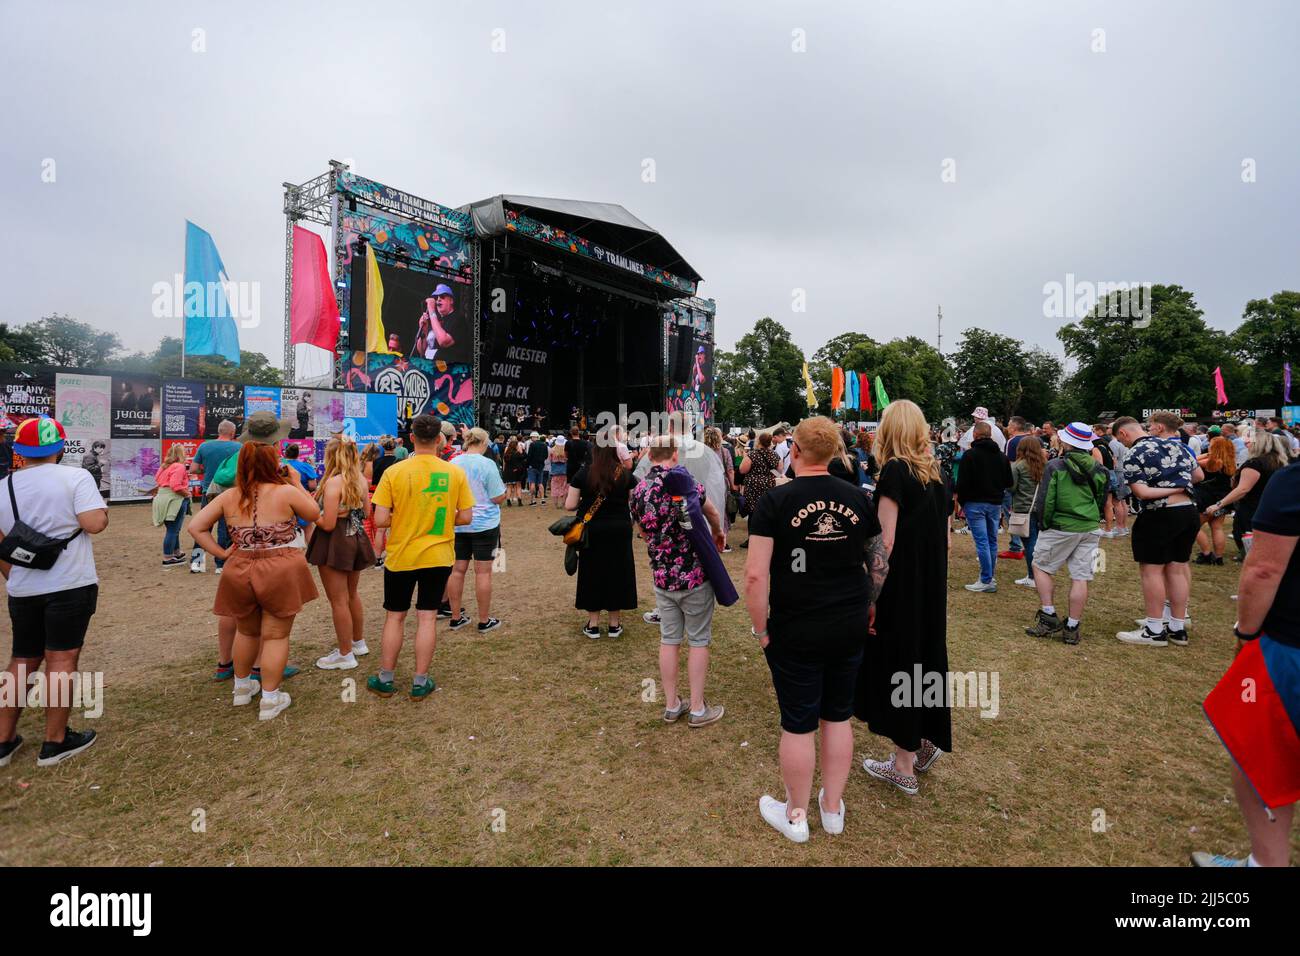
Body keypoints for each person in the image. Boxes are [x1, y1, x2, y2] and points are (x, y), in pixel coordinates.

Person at [746, 417, 886, 842]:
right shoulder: (859, 498)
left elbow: (755, 576)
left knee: (798, 721)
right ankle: (831, 810)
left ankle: (796, 815)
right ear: (835, 452)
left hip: (795, 627)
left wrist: (761, 631)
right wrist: (870, 604)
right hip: (847, 623)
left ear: (798, 451)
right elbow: (879, 561)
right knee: (837, 715)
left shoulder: (776, 501)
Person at [1193, 458, 1300, 866]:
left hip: (1290, 648)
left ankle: (1265, 863)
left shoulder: (1292, 482)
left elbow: (1264, 569)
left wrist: (1246, 635)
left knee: (1261, 756)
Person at [189, 412, 321, 720]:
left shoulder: (231, 495)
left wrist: (222, 554)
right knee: (275, 635)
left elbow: (196, 527)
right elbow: (314, 513)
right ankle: (271, 699)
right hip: (280, 565)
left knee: (246, 632)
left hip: (240, 565)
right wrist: (298, 483)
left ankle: (241, 689)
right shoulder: (286, 491)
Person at [855, 400, 952, 796]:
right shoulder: (937, 474)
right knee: (925, 658)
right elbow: (944, 537)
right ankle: (923, 741)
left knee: (901, 664)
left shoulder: (896, 471)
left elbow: (885, 543)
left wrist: (870, 595)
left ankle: (903, 765)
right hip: (929, 586)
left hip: (901, 588)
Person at [0, 417, 108, 767]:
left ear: (18, 450)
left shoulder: (4, 487)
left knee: (21, 660)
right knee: (61, 659)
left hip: (23, 587)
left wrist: (14, 575)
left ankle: (2, 740)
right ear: (60, 448)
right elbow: (94, 524)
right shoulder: (76, 477)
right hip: (70, 584)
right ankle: (55, 741)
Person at [366, 414, 474, 699]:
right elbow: (465, 517)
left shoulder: (395, 472)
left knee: (395, 616)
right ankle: (419, 681)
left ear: (411, 438)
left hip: (402, 555)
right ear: (440, 439)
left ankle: (385, 678)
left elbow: (379, 520)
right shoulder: (454, 473)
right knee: (427, 617)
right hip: (438, 556)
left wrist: (406, 516)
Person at [631, 437, 727, 730]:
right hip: (694, 574)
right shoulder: (685, 484)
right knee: (698, 639)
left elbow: (642, 531)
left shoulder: (637, 491)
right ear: (675, 455)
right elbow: (710, 509)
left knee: (669, 639)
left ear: (648, 456)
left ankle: (672, 704)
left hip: (662, 577)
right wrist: (717, 531)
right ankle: (697, 708)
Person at [1113, 413, 1205, 647]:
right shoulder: (1180, 447)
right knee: (1177, 568)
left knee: (1152, 571)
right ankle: (1177, 626)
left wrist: (1170, 490)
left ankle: (1154, 629)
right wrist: (1180, 487)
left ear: (1124, 434)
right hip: (1188, 513)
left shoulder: (1134, 453)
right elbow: (1198, 475)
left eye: (1121, 440)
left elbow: (1142, 493)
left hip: (1159, 515)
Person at [1023, 423, 1108, 645]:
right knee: (1081, 576)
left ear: (1066, 442)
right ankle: (1072, 626)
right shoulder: (1099, 469)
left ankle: (1049, 614)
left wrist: (1044, 523)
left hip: (1061, 525)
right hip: (1088, 526)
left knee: (1040, 566)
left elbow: (1046, 499)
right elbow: (1101, 498)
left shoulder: (1055, 466)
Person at [307, 436, 376, 670]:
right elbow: (366, 513)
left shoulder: (333, 483)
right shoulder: (360, 480)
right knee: (351, 595)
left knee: (338, 600)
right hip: (355, 537)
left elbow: (326, 524)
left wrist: (311, 514)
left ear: (332, 456)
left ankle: (345, 654)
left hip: (335, 541)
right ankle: (358, 643)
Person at [565, 435, 637, 638]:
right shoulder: (624, 473)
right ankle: (614, 624)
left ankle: (593, 624)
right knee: (618, 571)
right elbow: (633, 500)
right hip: (620, 528)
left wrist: (587, 503)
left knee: (592, 572)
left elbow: (569, 505)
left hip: (592, 529)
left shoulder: (583, 473)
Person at [444, 428, 505, 633]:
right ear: (484, 442)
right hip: (485, 524)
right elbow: (497, 497)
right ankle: (484, 619)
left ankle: (455, 617)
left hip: (459, 522)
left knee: (457, 570)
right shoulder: (487, 464)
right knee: (483, 572)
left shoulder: (453, 463)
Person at [1212, 431, 1290, 560]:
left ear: (1258, 444)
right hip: (1274, 506)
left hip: (1252, 507)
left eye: (1249, 441)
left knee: (1244, 535)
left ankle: (1253, 559)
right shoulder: (1281, 462)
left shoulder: (1255, 464)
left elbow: (1243, 489)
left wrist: (1219, 504)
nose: (1246, 443)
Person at [956, 419, 1012, 592]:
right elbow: (1008, 481)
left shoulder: (970, 455)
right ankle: (988, 577)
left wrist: (963, 502)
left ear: (975, 435)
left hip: (975, 503)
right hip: (994, 503)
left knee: (982, 541)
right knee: (991, 540)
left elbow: (962, 483)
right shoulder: (1001, 457)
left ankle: (987, 579)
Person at [188, 420, 241, 574]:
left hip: (208, 491)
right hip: (231, 493)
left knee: (204, 526)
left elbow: (194, 469)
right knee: (226, 529)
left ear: (219, 431)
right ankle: (221, 565)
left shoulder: (204, 446)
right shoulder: (239, 447)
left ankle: (197, 563)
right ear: (232, 433)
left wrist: (207, 471)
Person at [1008, 435, 1047, 587]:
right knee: (1037, 542)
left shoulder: (1018, 466)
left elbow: (1011, 487)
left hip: (1024, 507)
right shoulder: (1044, 465)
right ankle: (1040, 574)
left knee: (1030, 543)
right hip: (1041, 507)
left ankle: (1033, 577)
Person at [1193, 435, 1237, 565]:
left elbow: (1193, 460)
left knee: (1194, 526)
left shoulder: (1212, 462)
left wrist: (1207, 454)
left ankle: (1206, 554)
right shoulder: (1229, 462)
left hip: (1206, 498)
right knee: (1217, 527)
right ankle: (1218, 558)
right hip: (1222, 498)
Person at [152, 442, 192, 566]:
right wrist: (187, 494)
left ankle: (176, 552)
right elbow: (175, 486)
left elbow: (157, 480)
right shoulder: (179, 467)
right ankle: (168, 558)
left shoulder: (164, 466)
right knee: (173, 529)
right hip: (174, 499)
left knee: (173, 529)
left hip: (162, 497)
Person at [999, 416, 1030, 559]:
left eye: (1009, 425)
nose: (1007, 427)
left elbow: (1009, 465)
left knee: (1011, 514)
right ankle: (1026, 545)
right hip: (1031, 484)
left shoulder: (1012, 442)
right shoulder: (1034, 440)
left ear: (1015, 427)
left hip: (1015, 483)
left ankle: (1015, 546)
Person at [502, 435, 526, 506]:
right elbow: (524, 457)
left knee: (509, 487)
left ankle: (508, 501)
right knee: (518, 486)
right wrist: (521, 450)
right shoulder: (517, 454)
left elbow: (505, 463)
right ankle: (519, 501)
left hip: (508, 472)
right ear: (516, 446)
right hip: (516, 472)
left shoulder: (507, 454)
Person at [525, 431, 548, 505]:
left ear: (533, 437)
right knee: (540, 483)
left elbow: (529, 456)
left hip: (532, 466)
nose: (531, 439)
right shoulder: (544, 445)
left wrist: (527, 464)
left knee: (532, 483)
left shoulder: (532, 444)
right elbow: (546, 456)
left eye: (531, 437)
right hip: (541, 466)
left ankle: (533, 500)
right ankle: (542, 499)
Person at [548, 437, 568, 508]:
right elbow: (567, 460)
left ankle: (556, 504)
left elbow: (550, 460)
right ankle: (563, 503)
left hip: (555, 472)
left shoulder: (552, 450)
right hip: (564, 471)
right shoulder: (565, 451)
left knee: (554, 487)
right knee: (565, 487)